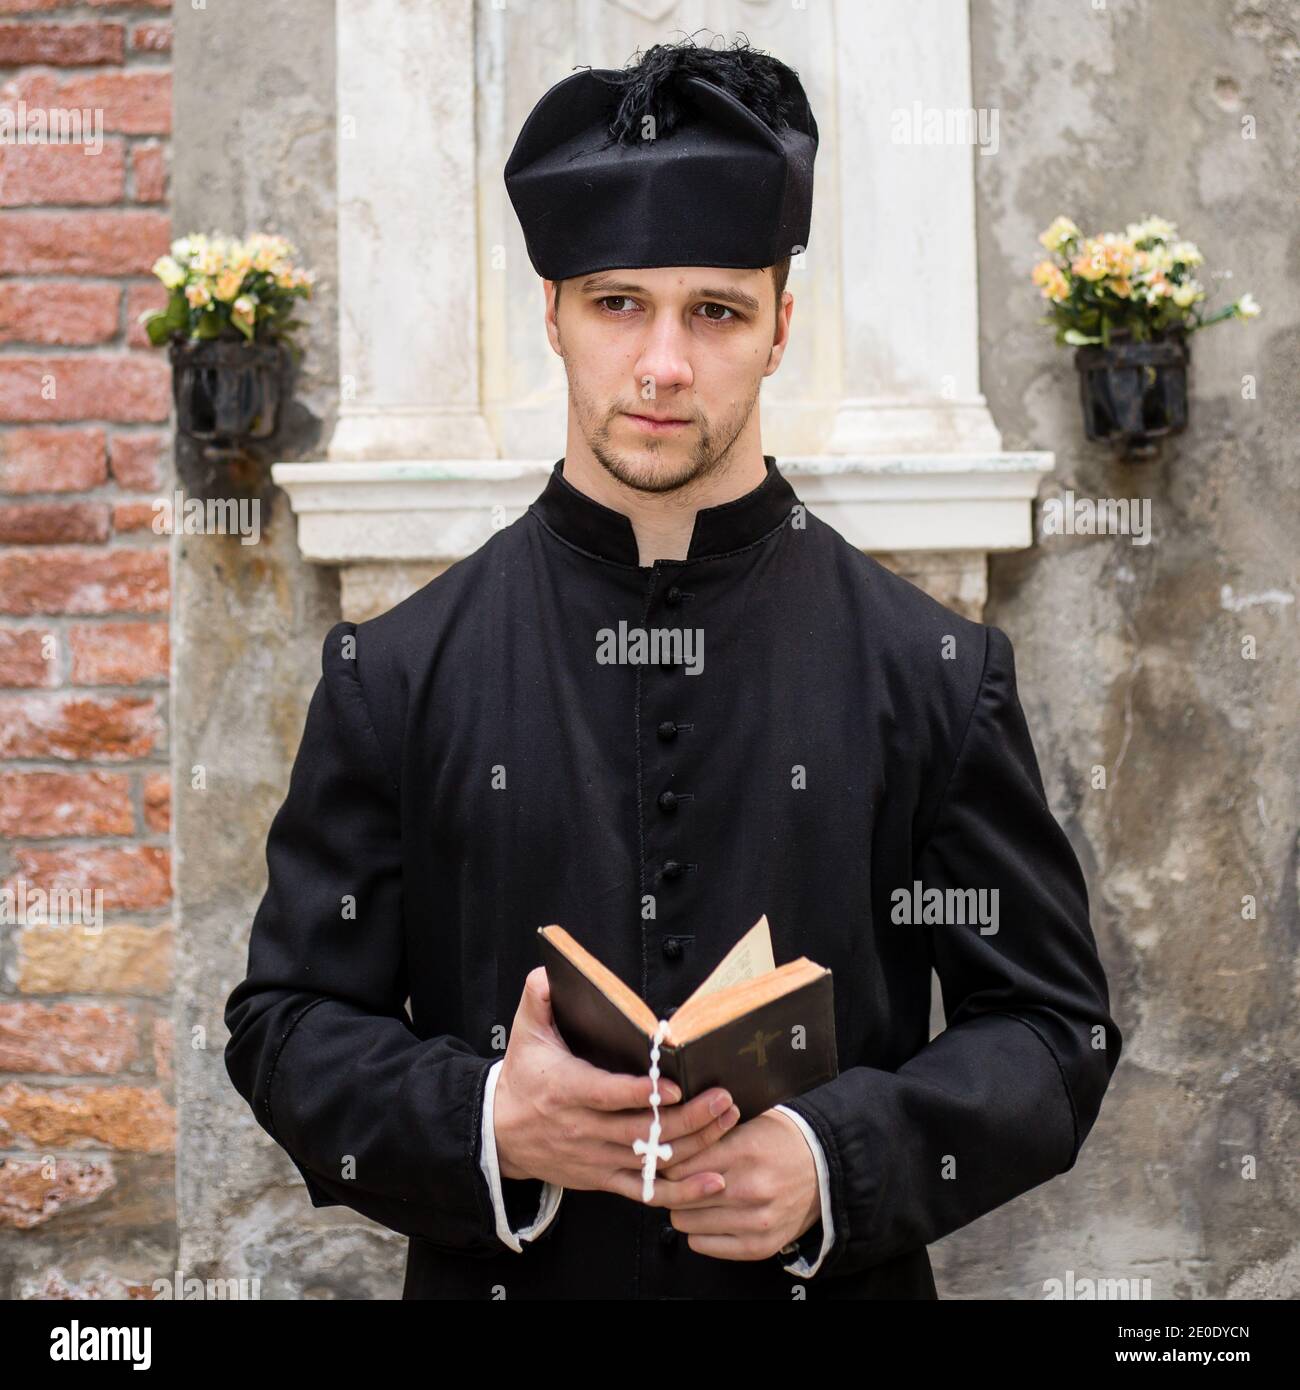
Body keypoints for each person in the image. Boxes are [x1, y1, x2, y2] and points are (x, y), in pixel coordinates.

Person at [224, 35, 1121, 1300]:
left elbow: (1051, 1030)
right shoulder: (399, 670)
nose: (661, 363)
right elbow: (286, 1024)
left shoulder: (931, 670)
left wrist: (834, 1158)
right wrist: (489, 1118)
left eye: (714, 310)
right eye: (616, 304)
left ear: (778, 327)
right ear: (551, 313)